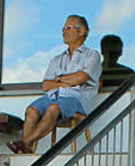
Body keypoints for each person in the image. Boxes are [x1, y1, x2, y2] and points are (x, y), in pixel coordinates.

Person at [9, 16, 102, 155]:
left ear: (81, 31)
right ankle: (26, 148)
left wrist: (58, 80)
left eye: (68, 28)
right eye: (63, 28)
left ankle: (25, 142)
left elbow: (81, 77)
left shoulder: (92, 55)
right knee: (32, 110)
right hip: (54, 96)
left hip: (78, 99)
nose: (64, 31)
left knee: (53, 108)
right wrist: (68, 81)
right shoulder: (56, 59)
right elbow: (46, 85)